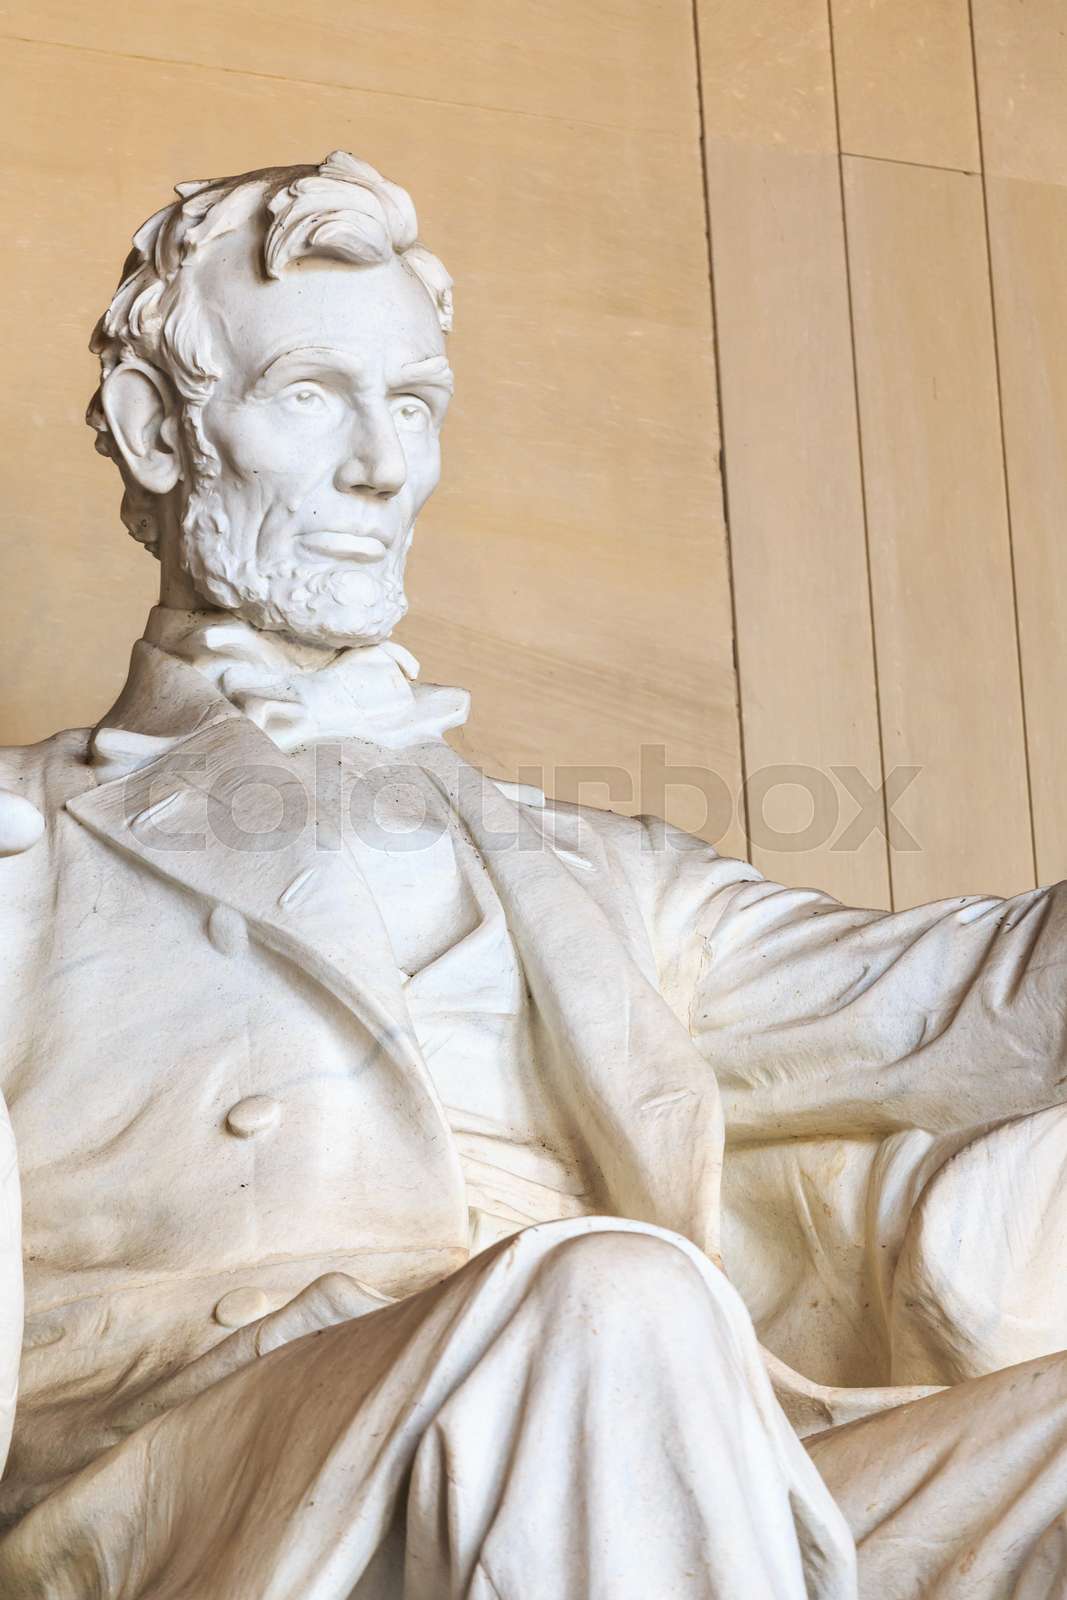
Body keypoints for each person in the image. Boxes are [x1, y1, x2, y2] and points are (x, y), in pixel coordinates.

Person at [1, 151, 1066, 1598]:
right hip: (223, 1491)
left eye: (413, 404)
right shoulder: (30, 844)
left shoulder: (600, 875)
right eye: (313, 395)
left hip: (679, 1464)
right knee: (608, 1298)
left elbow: (964, 1004)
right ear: (155, 429)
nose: (383, 465)